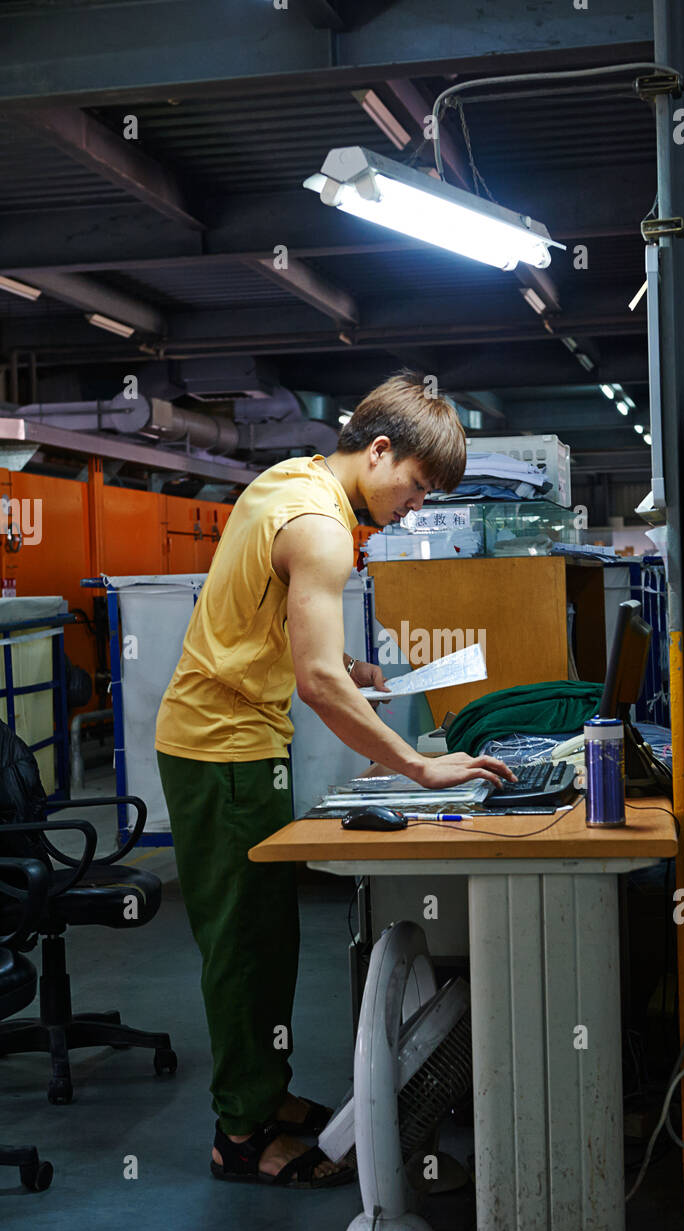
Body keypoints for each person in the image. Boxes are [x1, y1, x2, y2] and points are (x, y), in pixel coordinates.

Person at [154, 372, 516, 1189]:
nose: (413, 508)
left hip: (230, 741)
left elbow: (269, 620)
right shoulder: (320, 527)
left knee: (265, 934)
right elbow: (314, 683)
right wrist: (419, 766)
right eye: (415, 487)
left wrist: (348, 663)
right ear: (379, 450)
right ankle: (240, 1135)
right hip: (224, 750)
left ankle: (266, 1094)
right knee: (245, 946)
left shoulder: (290, 480)